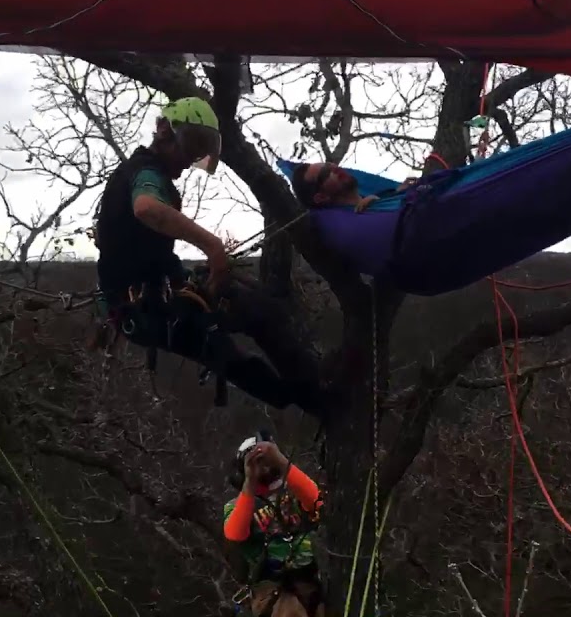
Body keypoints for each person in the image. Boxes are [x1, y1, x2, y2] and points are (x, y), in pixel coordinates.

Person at [89, 96, 284, 408]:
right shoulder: (146, 174)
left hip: (154, 293)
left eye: (200, 148)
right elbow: (146, 208)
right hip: (141, 307)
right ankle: (305, 398)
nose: (190, 156)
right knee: (231, 352)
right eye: (190, 144)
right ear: (164, 130)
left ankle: (300, 390)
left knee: (251, 313)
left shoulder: (138, 172)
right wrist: (212, 245)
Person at [223, 433, 326, 617]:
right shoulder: (238, 505)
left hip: (311, 579)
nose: (265, 466)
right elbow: (235, 533)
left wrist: (279, 460)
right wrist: (250, 480)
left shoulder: (295, 490)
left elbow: (316, 501)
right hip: (272, 588)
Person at [288, 162, 418, 213]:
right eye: (326, 172)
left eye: (329, 164)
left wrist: (398, 194)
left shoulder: (381, 198)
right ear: (321, 197)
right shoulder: (346, 225)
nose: (335, 167)